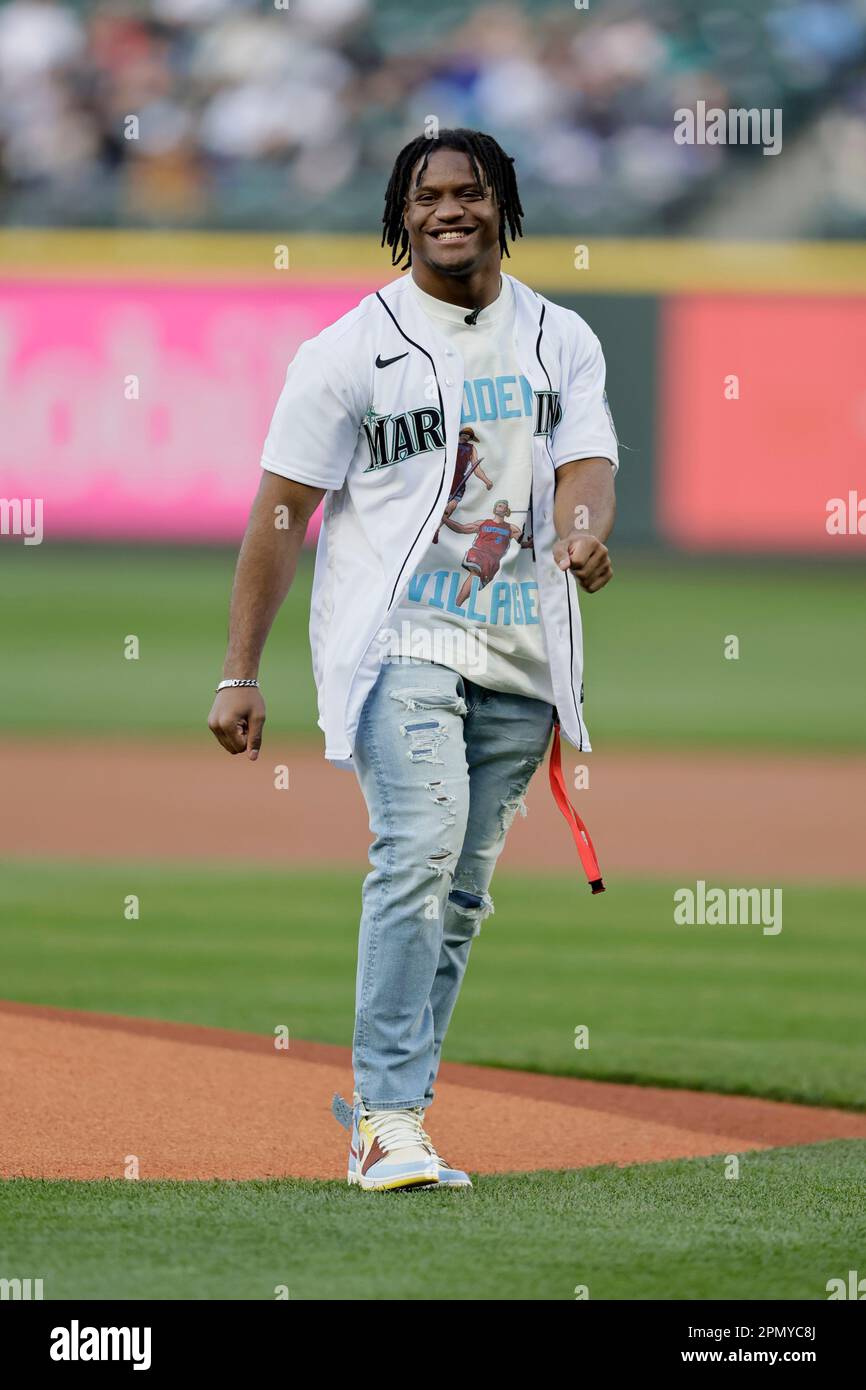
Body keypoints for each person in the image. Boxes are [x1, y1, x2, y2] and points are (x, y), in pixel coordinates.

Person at [208, 128, 618, 1193]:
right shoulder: (346, 350)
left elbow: (586, 462)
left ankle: (399, 1112)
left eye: (468, 192)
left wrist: (578, 528)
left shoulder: (559, 337)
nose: (448, 209)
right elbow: (281, 512)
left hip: (522, 652)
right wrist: (238, 668)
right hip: (399, 643)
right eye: (427, 194)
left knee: (462, 888)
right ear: (400, 213)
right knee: (418, 852)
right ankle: (384, 1117)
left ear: (501, 205)